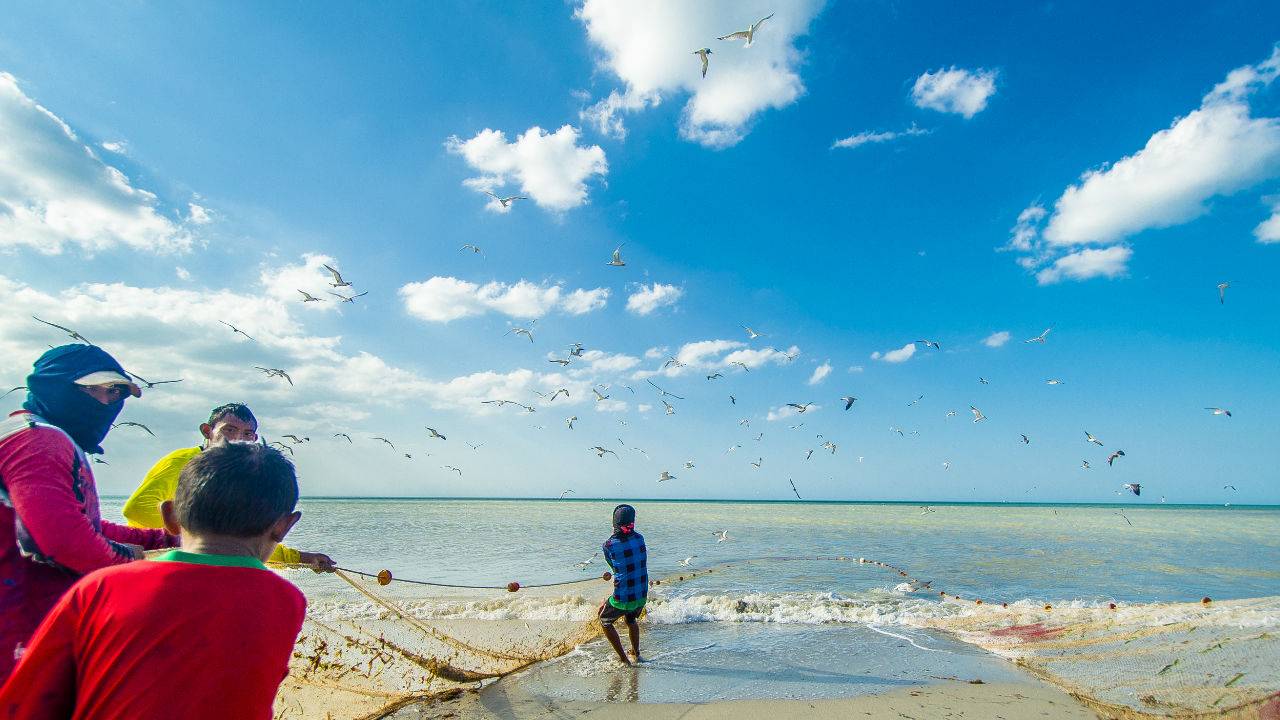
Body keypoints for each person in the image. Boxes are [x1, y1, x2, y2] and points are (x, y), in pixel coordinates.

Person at [0, 442, 308, 719]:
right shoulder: (287, 601)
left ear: (170, 517)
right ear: (285, 525)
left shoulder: (101, 588)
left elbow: (26, 703)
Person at [0, 345, 179, 680]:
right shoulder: (38, 441)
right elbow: (65, 542)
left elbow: (84, 524)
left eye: (116, 394)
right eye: (98, 390)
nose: (108, 404)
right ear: (55, 386)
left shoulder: (41, 436)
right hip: (17, 631)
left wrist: (166, 538)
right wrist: (148, 564)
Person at [121, 403, 335, 571]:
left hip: (202, 565)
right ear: (207, 431)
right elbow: (137, 509)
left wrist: (298, 558)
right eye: (229, 430)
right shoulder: (182, 461)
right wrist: (197, 533)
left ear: (255, 439)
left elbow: (241, 537)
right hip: (154, 560)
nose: (238, 440)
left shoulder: (244, 476)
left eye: (247, 434)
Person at [599, 503, 647, 665]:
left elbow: (615, 569)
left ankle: (623, 659)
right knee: (631, 620)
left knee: (604, 620)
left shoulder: (608, 545)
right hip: (641, 596)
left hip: (624, 597)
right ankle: (636, 653)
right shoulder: (640, 538)